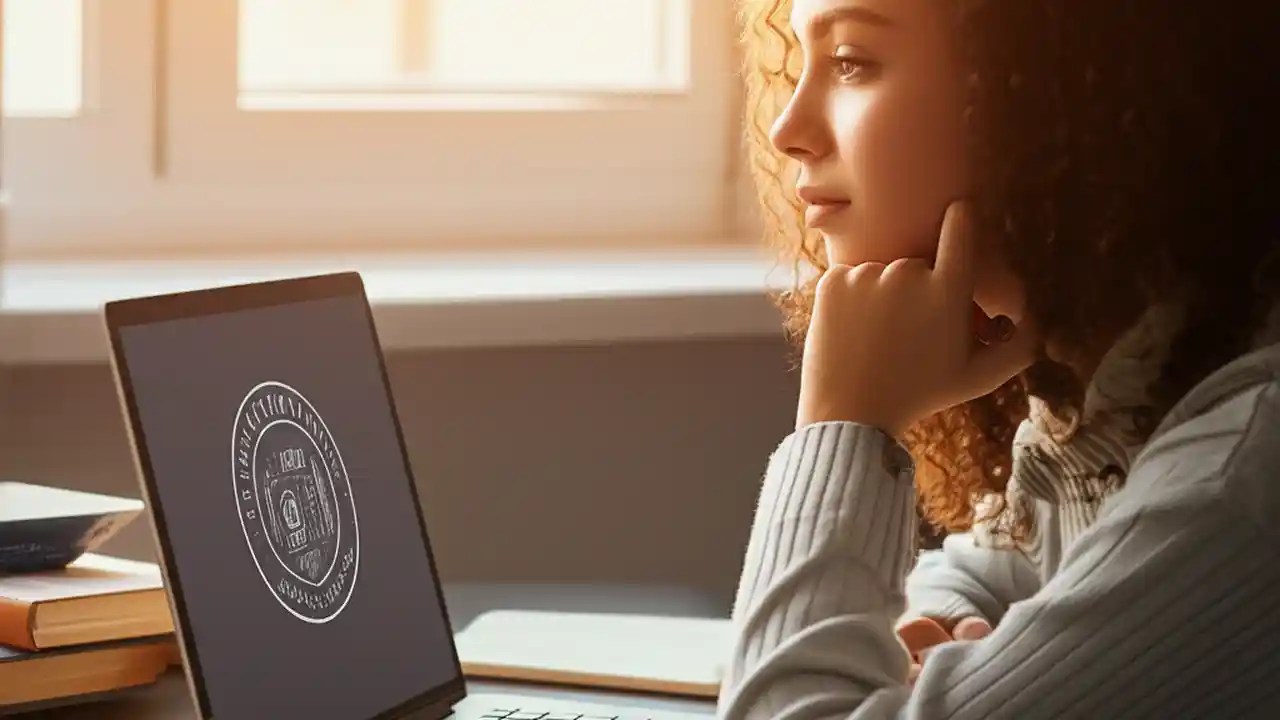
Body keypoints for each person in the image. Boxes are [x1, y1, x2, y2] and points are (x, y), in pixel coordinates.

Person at [718, 0, 1279, 717]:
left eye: (851, 62)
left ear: (1049, 91)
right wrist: (945, 626)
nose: (787, 131)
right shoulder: (1124, 383)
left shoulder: (1236, 486)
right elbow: (994, 566)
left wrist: (844, 422)